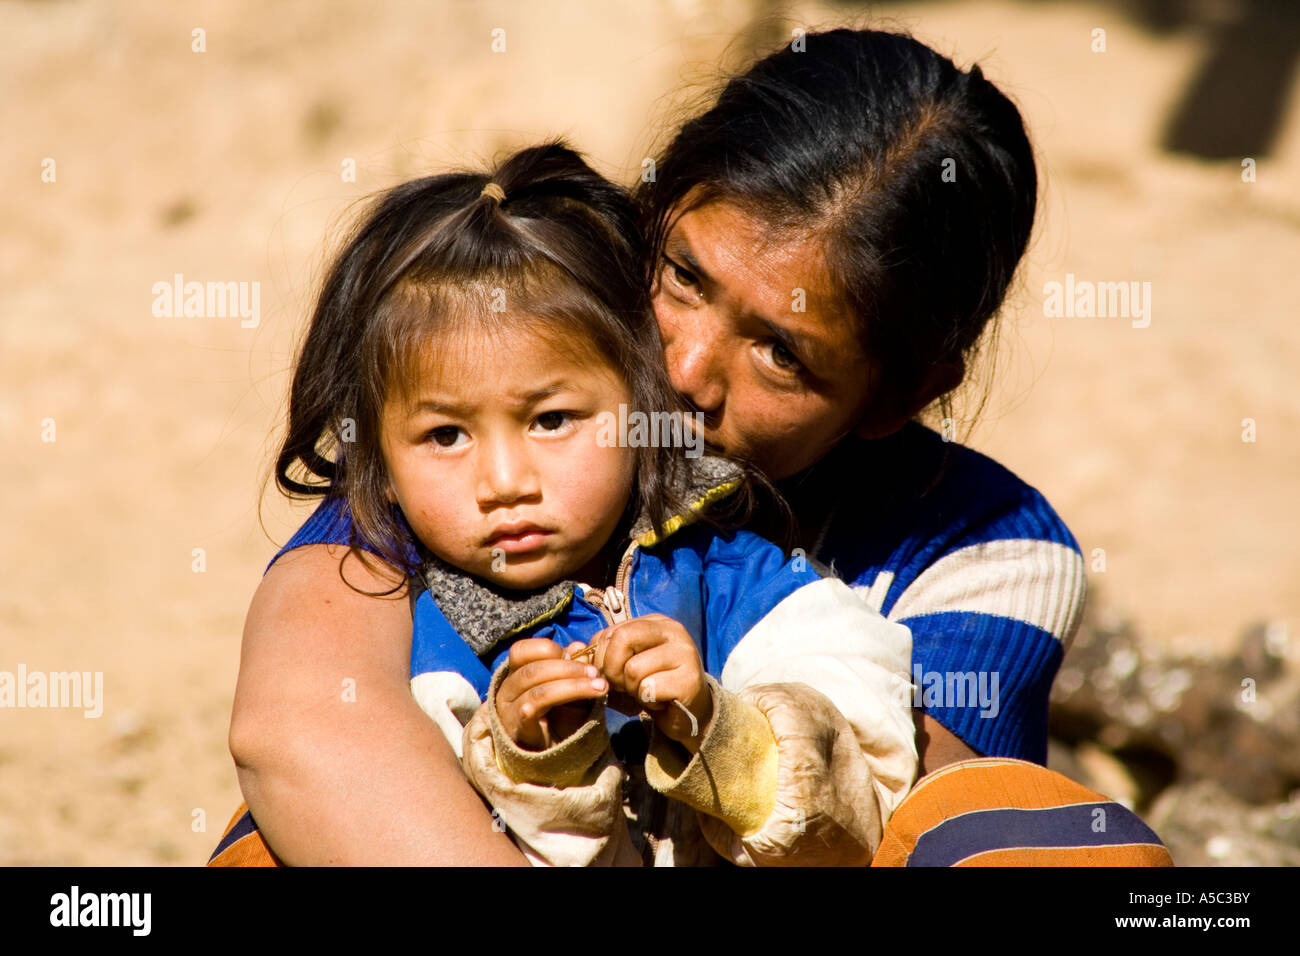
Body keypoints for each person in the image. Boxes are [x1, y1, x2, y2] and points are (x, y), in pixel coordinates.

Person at [218, 27, 1171, 866]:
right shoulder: (512, 463)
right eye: (682, 274)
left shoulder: (988, 549)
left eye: (782, 352)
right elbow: (297, 727)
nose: (682, 370)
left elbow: (918, 825)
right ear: (650, 207)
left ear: (903, 395)